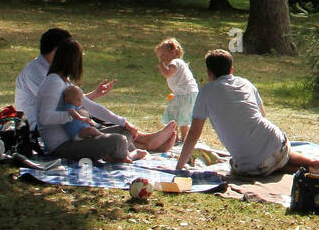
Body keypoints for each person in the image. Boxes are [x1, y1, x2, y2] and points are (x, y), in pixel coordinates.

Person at [175, 49, 319, 176]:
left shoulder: (206, 92)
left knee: (249, 164)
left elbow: (194, 133)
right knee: (279, 155)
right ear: (232, 70)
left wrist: (179, 166)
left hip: (252, 164)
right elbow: (262, 115)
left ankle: (307, 168)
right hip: (276, 141)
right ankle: (315, 163)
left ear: (209, 74)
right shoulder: (246, 83)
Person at [14, 27, 168, 152]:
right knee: (111, 134)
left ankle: (140, 144)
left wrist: (123, 122)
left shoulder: (59, 76)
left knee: (118, 130)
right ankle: (140, 144)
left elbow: (77, 102)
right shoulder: (43, 75)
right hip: (58, 136)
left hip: (70, 131)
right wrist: (76, 116)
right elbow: (53, 111)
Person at [35, 39, 179, 162]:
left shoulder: (65, 82)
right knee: (118, 141)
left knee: (125, 131)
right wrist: (73, 116)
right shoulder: (53, 82)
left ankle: (128, 151)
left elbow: (92, 107)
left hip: (79, 136)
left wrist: (124, 122)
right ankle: (129, 154)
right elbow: (45, 118)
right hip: (62, 146)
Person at [156, 37, 198, 144]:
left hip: (186, 93)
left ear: (173, 51)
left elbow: (168, 73)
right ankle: (175, 137)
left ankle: (185, 139)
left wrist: (162, 67)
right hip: (181, 94)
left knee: (183, 117)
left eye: (163, 55)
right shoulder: (176, 62)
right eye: (160, 57)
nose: (161, 59)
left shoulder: (175, 62)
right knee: (173, 115)